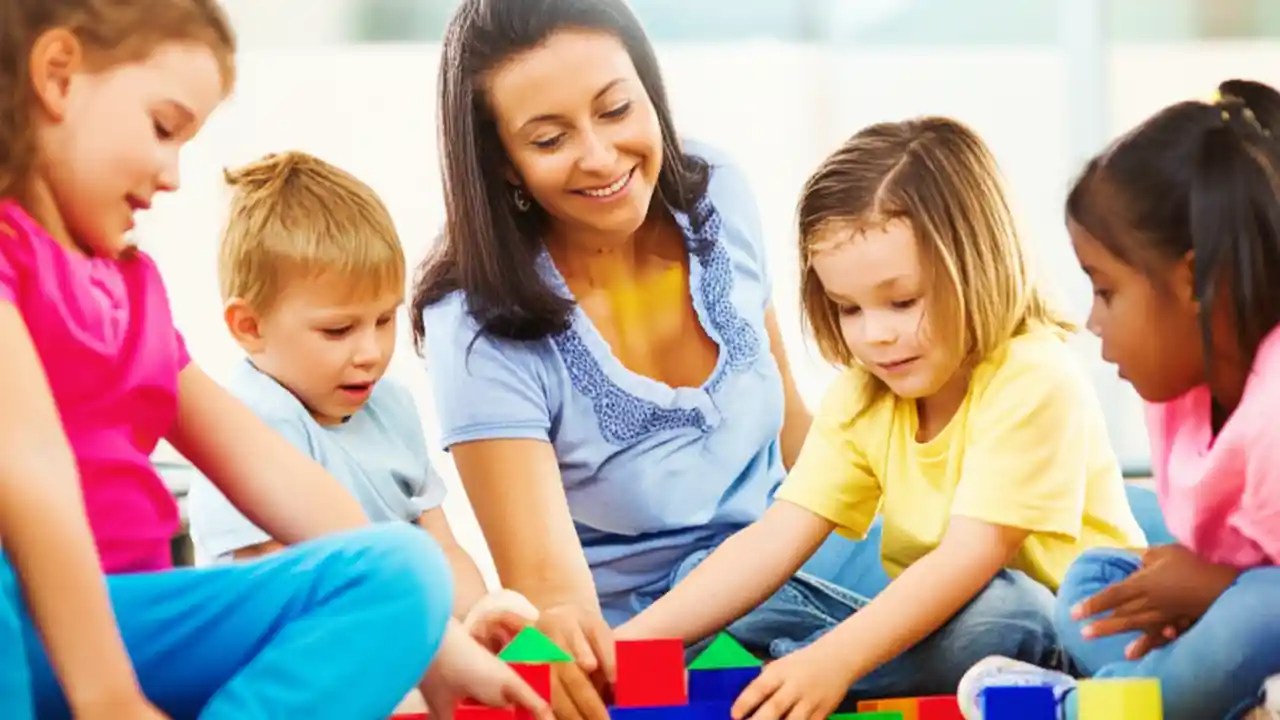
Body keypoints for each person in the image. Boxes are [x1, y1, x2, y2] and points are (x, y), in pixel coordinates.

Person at [0, 3, 549, 719]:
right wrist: (107, 697)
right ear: (58, 75)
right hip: (29, 624)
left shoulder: (135, 291)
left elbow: (271, 471)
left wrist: (431, 645)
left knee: (406, 570)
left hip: (135, 621)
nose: (172, 177)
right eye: (164, 129)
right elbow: (28, 469)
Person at [616, 116, 1147, 720]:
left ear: (977, 265)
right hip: (925, 628)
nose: (877, 335)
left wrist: (832, 661)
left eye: (902, 302)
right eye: (849, 309)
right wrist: (625, 647)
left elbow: (969, 559)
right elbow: (777, 537)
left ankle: (785, 678)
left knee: (1006, 610)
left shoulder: (1033, 377)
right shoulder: (865, 393)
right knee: (702, 574)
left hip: (1055, 637)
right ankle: (796, 675)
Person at [412, 1, 815, 718]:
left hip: (793, 555)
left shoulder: (718, 189)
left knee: (1001, 600)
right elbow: (552, 594)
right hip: (647, 629)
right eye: (548, 138)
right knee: (989, 624)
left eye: (616, 108)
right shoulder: (477, 323)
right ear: (502, 161)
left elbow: (794, 424)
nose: (600, 156)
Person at [959, 79, 1280, 720]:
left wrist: (1217, 590)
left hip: (1259, 614)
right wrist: (1190, 587)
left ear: (1193, 281)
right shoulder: (1182, 394)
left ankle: (1084, 707)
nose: (1091, 321)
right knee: (1093, 581)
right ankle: (1184, 699)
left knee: (1257, 613)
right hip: (1232, 620)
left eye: (1105, 291)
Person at [187, 150, 536, 646]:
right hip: (295, 654)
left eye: (383, 320)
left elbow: (441, 548)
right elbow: (282, 592)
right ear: (250, 327)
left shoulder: (391, 407)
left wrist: (483, 620)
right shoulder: (243, 425)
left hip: (398, 639)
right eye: (338, 330)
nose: (371, 352)